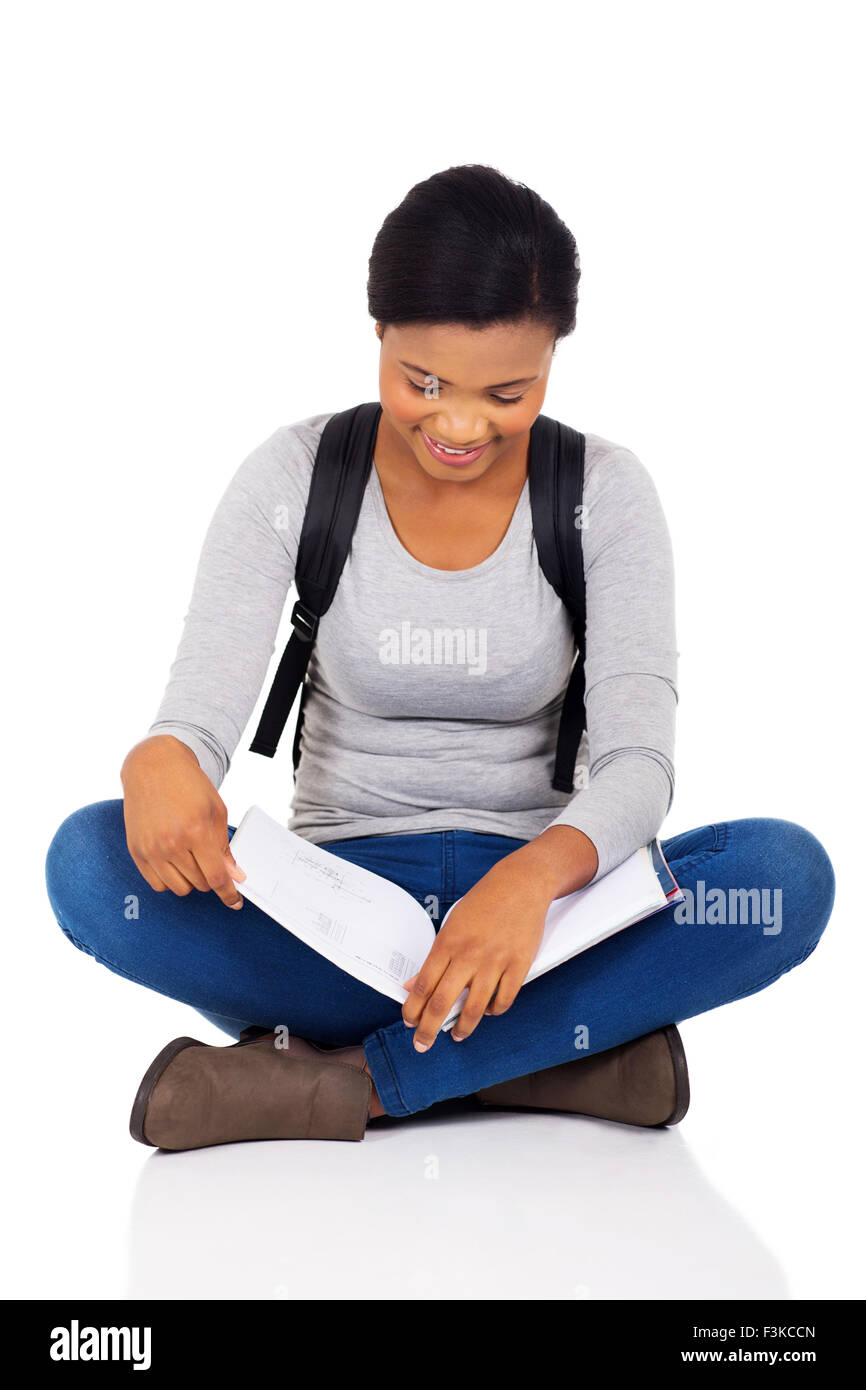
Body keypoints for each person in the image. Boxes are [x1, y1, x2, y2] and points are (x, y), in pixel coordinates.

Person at [44, 164, 835, 1150]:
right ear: (377, 331)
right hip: (333, 924)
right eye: (422, 384)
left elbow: (638, 763)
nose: (459, 427)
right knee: (86, 860)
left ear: (553, 357)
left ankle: (350, 1083)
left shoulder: (604, 492)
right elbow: (194, 721)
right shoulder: (295, 476)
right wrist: (160, 761)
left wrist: (528, 882)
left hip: (541, 924)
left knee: (782, 875)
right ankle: (551, 1061)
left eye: (506, 393)